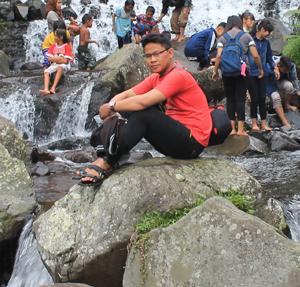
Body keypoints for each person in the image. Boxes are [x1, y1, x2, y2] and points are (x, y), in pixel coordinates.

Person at [75, 33, 213, 185]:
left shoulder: (179, 75)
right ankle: (110, 155)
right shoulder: (157, 77)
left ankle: (108, 160)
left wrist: (111, 107)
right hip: (175, 139)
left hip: (192, 143)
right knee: (128, 108)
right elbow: (127, 94)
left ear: (170, 53)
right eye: (148, 56)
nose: (152, 60)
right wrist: (111, 112)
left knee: (143, 113)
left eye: (157, 54)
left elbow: (143, 102)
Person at [212, 15, 263, 136]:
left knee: (230, 99)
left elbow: (218, 57)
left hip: (227, 72)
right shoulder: (246, 36)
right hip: (242, 71)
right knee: (240, 98)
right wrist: (260, 68)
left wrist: (215, 71)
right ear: (239, 23)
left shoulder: (223, 38)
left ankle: (232, 129)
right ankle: (241, 130)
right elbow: (255, 55)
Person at [248, 20, 276, 131]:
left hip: (263, 72)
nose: (269, 34)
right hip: (251, 72)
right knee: (254, 99)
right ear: (262, 29)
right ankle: (254, 123)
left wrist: (274, 67)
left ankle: (264, 124)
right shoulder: (250, 40)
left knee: (262, 98)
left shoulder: (266, 42)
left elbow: (269, 56)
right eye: (269, 31)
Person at [269, 55, 300, 128]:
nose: (286, 72)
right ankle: (284, 122)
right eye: (284, 71)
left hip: (280, 82)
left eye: (287, 70)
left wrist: (297, 91)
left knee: (289, 86)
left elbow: (294, 78)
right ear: (279, 66)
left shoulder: (291, 66)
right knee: (276, 98)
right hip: (270, 85)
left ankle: (287, 105)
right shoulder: (271, 63)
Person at [41, 28, 73, 95]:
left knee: (60, 67)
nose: (54, 38)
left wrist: (55, 59)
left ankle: (53, 87)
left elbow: (66, 61)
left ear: (61, 37)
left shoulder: (66, 46)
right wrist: (60, 59)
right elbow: (49, 59)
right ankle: (46, 89)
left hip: (64, 66)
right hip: (54, 65)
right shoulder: (53, 46)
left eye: (55, 36)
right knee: (46, 71)